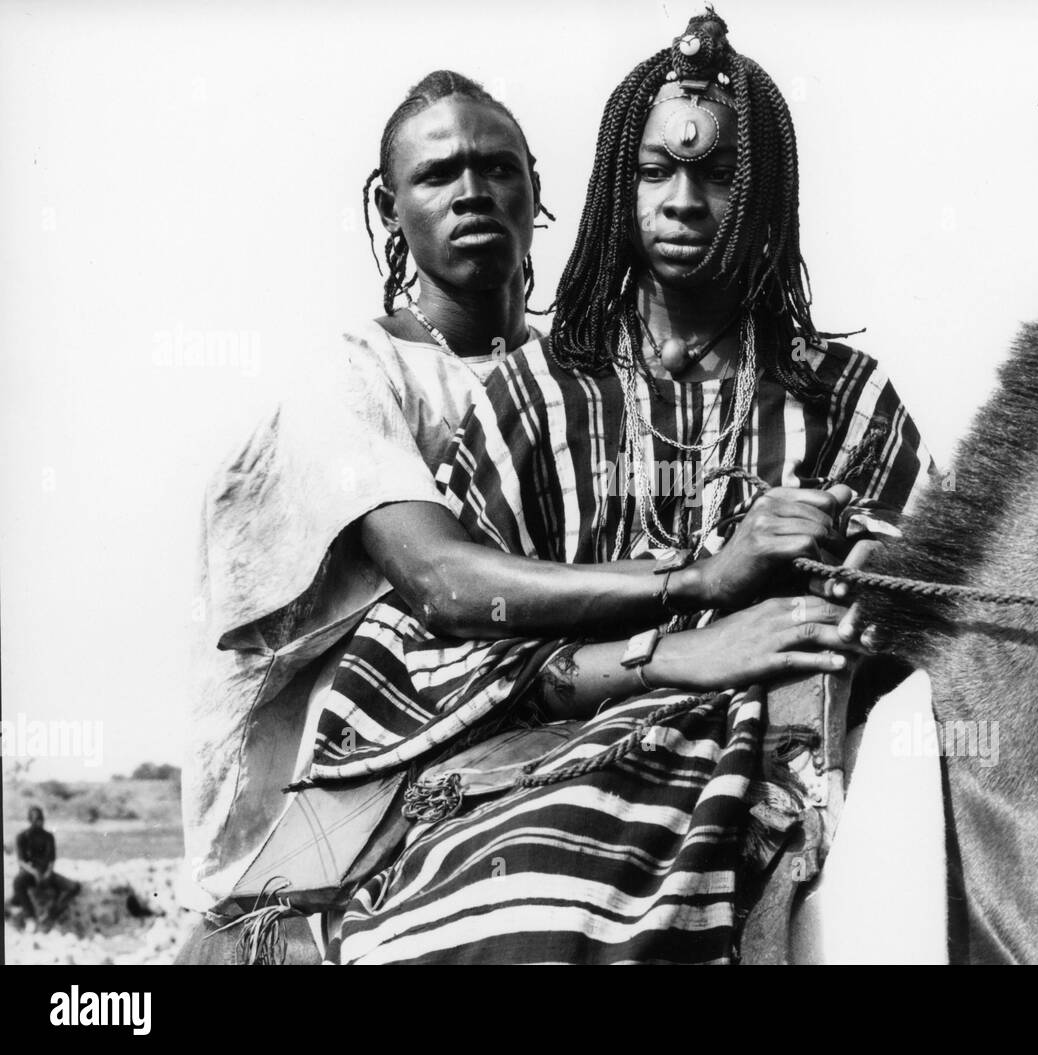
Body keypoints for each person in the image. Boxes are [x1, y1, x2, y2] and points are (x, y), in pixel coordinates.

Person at [306, 10, 934, 964]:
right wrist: (689, 646)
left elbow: (907, 610)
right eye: (655, 172)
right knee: (529, 912)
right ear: (613, 186)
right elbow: (476, 645)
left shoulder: (844, 399)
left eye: (721, 175)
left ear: (768, 194)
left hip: (797, 742)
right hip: (564, 759)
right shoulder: (538, 394)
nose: (685, 201)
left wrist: (847, 581)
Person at [183, 70, 552, 913]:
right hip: (367, 748)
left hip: (554, 691)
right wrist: (694, 584)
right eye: (437, 175)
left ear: (535, 189)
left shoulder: (578, 374)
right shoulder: (352, 374)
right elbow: (441, 582)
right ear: (390, 209)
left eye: (498, 168)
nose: (472, 192)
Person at [12, 807, 81, 925]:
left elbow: (52, 860)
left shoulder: (48, 836)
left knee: (74, 887)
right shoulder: (22, 836)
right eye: (36, 819)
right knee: (18, 883)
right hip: (30, 873)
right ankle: (31, 917)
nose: (39, 822)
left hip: (46, 873)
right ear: (30, 820)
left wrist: (48, 873)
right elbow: (21, 861)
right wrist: (34, 872)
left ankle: (52, 914)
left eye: (40, 818)